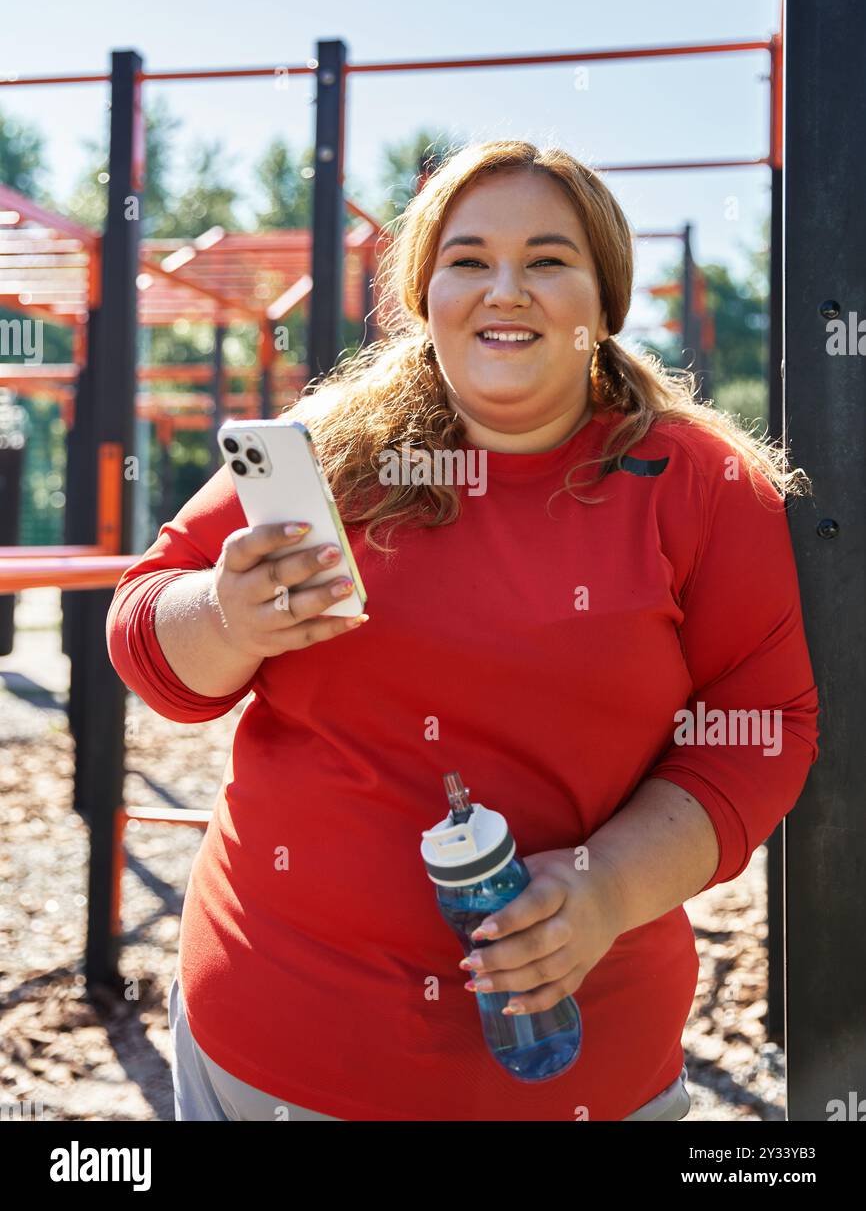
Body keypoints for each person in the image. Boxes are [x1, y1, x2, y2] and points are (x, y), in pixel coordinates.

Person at [106, 139, 819, 1122]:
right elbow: (146, 632)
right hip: (269, 1050)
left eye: (548, 260)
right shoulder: (327, 449)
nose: (505, 290)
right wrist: (227, 617)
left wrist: (603, 889)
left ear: (603, 302)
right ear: (423, 293)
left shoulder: (697, 484)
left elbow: (763, 720)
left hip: (580, 1073)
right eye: (468, 260)